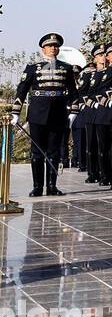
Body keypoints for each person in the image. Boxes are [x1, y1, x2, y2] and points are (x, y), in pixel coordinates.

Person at [14, 32, 79, 196]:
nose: (53, 48)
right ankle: (37, 186)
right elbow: (21, 91)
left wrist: (73, 111)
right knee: (36, 151)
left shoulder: (66, 68)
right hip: (37, 112)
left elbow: (73, 92)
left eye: (56, 46)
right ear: (43, 48)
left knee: (54, 151)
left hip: (58, 113)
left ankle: (52, 185)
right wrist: (16, 112)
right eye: (50, 46)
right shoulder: (32, 68)